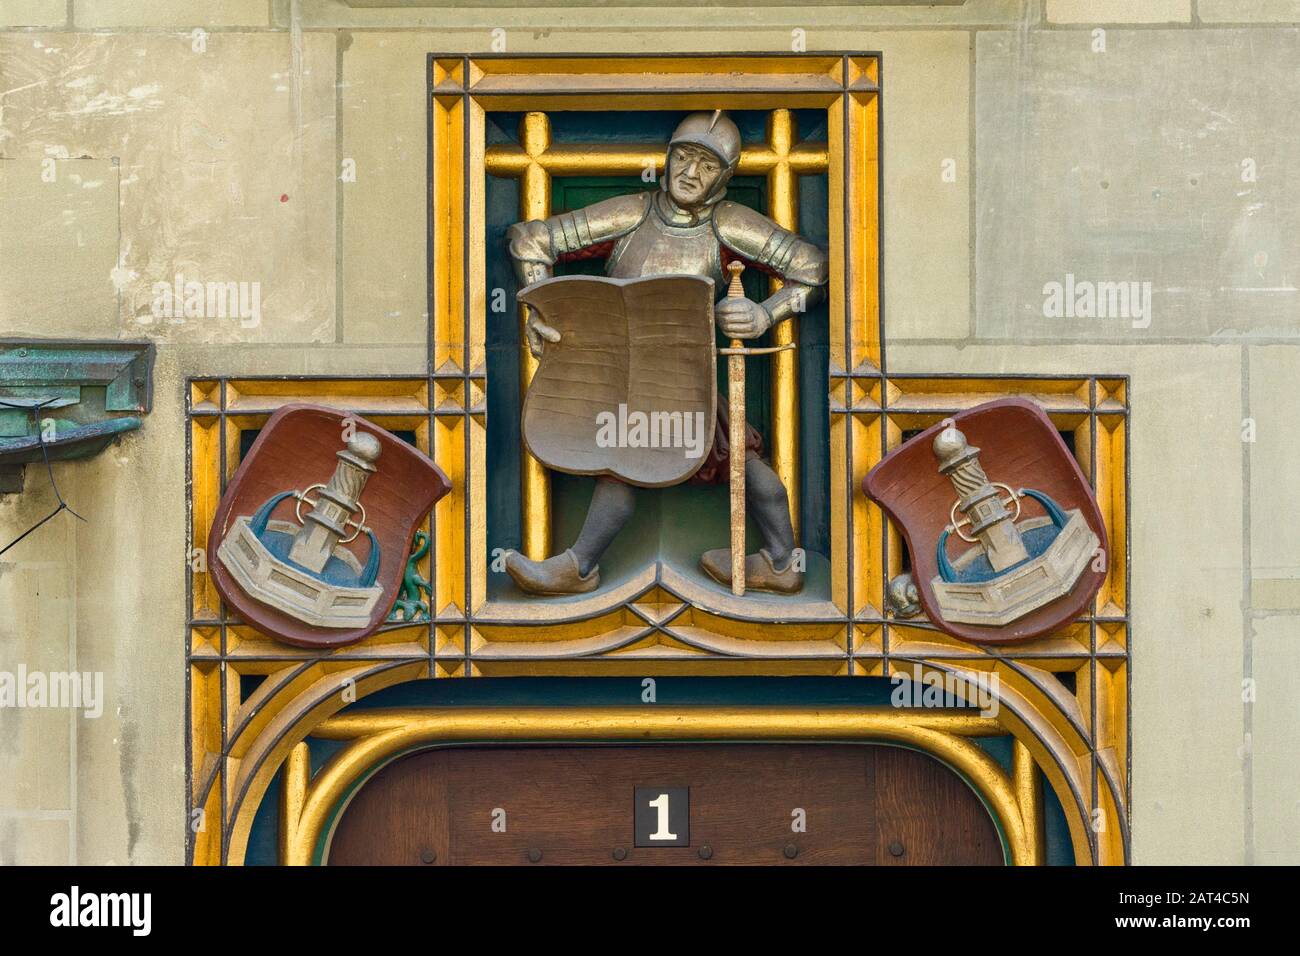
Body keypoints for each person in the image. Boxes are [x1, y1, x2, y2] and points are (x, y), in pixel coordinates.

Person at [503, 110, 828, 595]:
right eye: (684, 157)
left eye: (708, 164)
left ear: (726, 176)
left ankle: (782, 562)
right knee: (622, 470)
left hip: (685, 380)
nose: (691, 173)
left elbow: (813, 268)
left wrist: (766, 314)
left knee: (743, 462)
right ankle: (578, 567)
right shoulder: (631, 212)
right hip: (614, 380)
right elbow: (530, 238)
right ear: (668, 157)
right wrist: (541, 306)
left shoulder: (729, 224)